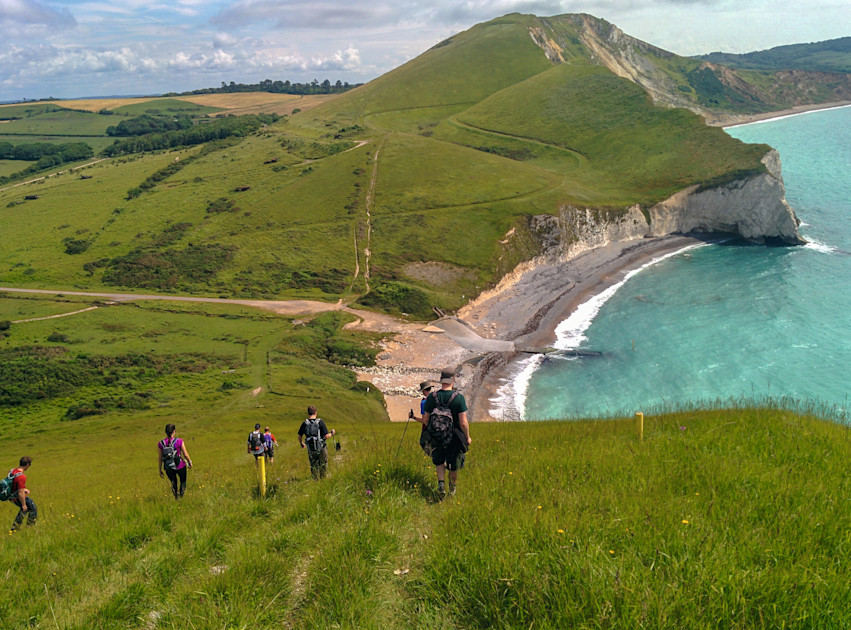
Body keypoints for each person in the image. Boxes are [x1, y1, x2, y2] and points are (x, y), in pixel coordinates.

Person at [422, 367, 471, 499]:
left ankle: (441, 484)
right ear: (453, 380)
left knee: (439, 462)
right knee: (453, 466)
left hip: (436, 436)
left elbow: (425, 419)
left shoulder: (432, 397)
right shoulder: (459, 398)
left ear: (440, 380)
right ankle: (452, 489)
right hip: (454, 438)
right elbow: (463, 422)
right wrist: (467, 437)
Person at [298, 405, 335, 480]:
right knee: (323, 464)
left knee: (313, 465)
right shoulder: (320, 422)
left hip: (311, 449)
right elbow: (326, 436)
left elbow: (299, 436)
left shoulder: (305, 423)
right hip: (321, 447)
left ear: (308, 413)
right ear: (315, 412)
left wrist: (301, 443)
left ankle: (315, 480)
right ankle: (323, 479)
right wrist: (332, 433)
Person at [158, 424, 192, 499]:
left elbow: (160, 458)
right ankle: (181, 496)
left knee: (174, 483)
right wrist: (190, 462)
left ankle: (176, 497)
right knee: (183, 481)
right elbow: (185, 454)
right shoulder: (179, 441)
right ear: (174, 431)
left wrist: (160, 469)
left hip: (168, 467)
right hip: (180, 465)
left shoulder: (161, 444)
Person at [7, 456, 37, 531]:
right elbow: (20, 493)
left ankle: (15, 529)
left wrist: (24, 489)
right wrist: (23, 504)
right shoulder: (21, 476)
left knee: (26, 510)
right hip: (17, 497)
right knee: (32, 508)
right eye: (29, 465)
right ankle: (30, 527)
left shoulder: (13, 471)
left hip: (11, 496)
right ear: (27, 464)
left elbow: (13, 484)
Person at [409, 380, 435, 456]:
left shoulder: (424, 402)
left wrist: (413, 417)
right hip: (439, 426)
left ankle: (431, 458)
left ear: (423, 391)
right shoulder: (436, 398)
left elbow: (425, 421)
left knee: (424, 443)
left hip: (428, 428)